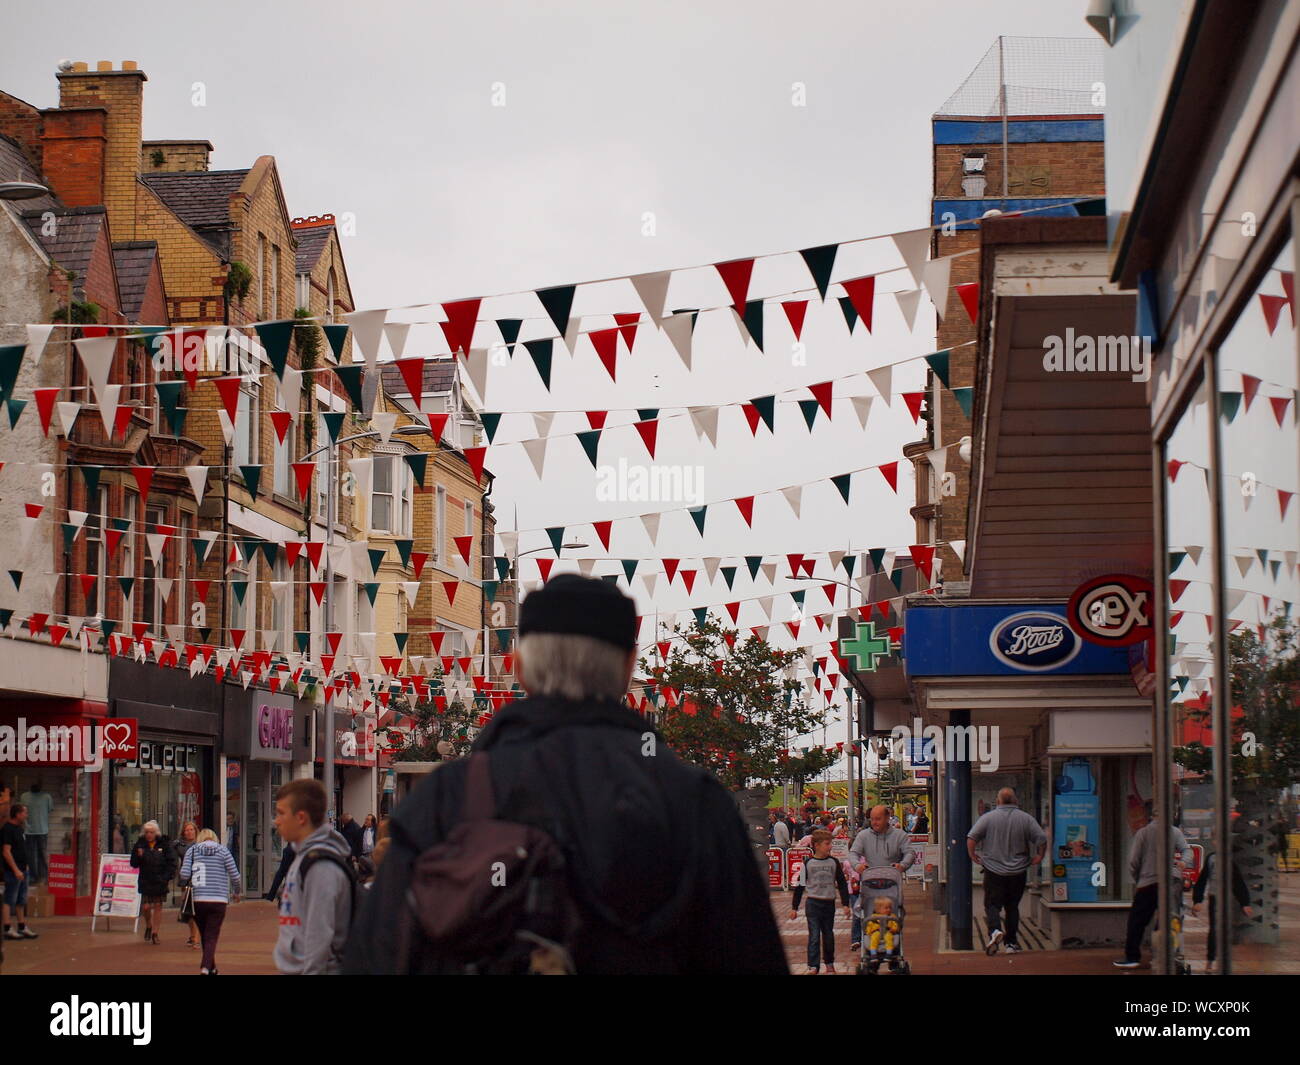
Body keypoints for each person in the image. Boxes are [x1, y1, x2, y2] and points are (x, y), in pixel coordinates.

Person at [344, 574, 786, 975]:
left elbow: (377, 953)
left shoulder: (445, 798)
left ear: (518, 666)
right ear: (629, 664)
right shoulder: (695, 802)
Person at [273, 779, 354, 975]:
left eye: (281, 813)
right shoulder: (303, 857)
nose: (276, 820)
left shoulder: (320, 867)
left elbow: (320, 934)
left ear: (301, 817)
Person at [966, 787, 1046, 955]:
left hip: (993, 870)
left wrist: (973, 855)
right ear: (1015, 800)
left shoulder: (988, 818)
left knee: (992, 905)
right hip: (1018, 871)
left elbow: (972, 837)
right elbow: (1041, 838)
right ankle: (1011, 943)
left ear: (998, 801)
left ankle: (995, 930)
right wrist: (1039, 856)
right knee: (1012, 907)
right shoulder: (1026, 819)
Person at [1114, 808, 1191, 968]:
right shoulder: (1174, 832)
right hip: (1170, 881)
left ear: (1152, 816)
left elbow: (1133, 861)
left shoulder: (1143, 833)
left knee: (1137, 921)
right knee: (1170, 919)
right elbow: (1187, 850)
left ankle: (1132, 957)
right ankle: (1168, 955)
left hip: (1147, 882)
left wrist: (1138, 878)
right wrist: (1182, 863)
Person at [787, 829, 851, 974]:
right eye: (827, 844)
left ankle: (829, 962)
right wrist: (794, 907)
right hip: (813, 904)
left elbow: (841, 883)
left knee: (828, 935)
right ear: (816, 845)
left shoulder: (833, 862)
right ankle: (813, 965)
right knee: (814, 936)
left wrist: (846, 904)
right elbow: (800, 885)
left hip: (828, 903)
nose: (830, 847)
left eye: (831, 844)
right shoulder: (808, 863)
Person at [180, 827, 241, 975]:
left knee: (205, 935)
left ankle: (212, 968)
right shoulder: (223, 851)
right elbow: (235, 876)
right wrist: (237, 891)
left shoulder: (192, 851)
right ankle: (206, 967)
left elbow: (184, 874)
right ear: (214, 838)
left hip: (197, 899)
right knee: (212, 935)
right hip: (218, 899)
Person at [1191, 851, 1253, 974]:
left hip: (1227, 899)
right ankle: (1210, 960)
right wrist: (1198, 900)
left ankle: (1223, 959)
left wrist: (1244, 902)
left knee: (1226, 930)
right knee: (1214, 929)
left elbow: (1237, 881)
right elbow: (1202, 880)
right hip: (1214, 898)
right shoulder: (1211, 858)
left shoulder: (1230, 858)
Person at [130, 820, 177, 946]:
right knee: (145, 907)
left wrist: (166, 877)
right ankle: (149, 925)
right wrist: (139, 856)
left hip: (160, 880)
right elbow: (133, 864)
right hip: (146, 880)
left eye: (151, 832)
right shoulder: (140, 845)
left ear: (156, 833)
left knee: (158, 906)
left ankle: (155, 933)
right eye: (147, 832)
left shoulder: (164, 844)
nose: (149, 835)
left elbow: (171, 861)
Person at [2, 804, 37, 940]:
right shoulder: (8, 829)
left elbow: (21, 849)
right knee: (9, 899)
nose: (26, 815)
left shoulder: (19, 829)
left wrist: (25, 866)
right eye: (25, 813)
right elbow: (6, 852)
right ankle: (7, 928)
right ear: (17, 814)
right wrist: (15, 869)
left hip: (23, 869)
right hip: (13, 871)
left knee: (21, 900)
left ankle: (22, 926)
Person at [849, 805, 916, 878]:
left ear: (887, 818)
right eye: (872, 819)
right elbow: (853, 853)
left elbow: (910, 853)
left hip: (893, 882)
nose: (874, 822)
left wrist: (903, 865)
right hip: (870, 882)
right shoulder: (863, 835)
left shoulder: (900, 835)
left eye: (878, 819)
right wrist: (857, 865)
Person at [172, 822, 199, 947]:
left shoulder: (200, 844)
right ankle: (193, 934)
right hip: (186, 879)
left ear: (195, 831)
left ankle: (195, 936)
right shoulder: (180, 845)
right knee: (187, 908)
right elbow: (171, 854)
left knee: (196, 909)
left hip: (198, 879)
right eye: (186, 830)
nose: (189, 832)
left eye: (191, 830)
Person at [19, 781, 52, 885]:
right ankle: (33, 877)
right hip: (29, 831)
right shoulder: (24, 796)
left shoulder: (47, 797)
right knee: (31, 855)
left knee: (41, 854)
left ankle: (43, 877)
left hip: (42, 830)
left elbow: (49, 809)